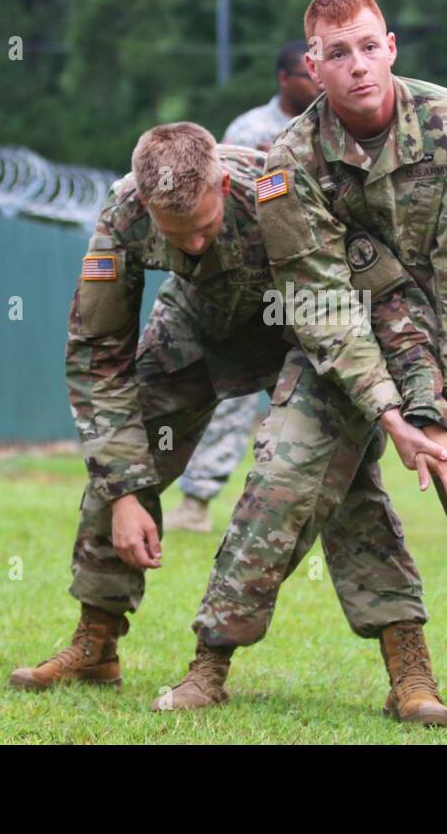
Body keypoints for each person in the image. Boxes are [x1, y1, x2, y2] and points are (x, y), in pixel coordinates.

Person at [157, 0, 447, 743]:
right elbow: (321, 303)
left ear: (390, 46)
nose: (357, 66)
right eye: (337, 53)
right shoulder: (290, 160)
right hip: (345, 341)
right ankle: (210, 664)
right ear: (313, 65)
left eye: (368, 47)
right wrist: (393, 417)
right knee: (281, 482)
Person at [9, 124, 447, 726]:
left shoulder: (283, 188)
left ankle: (406, 668)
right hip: (203, 324)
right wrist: (123, 491)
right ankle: (96, 643)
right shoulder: (124, 214)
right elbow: (97, 354)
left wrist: (411, 401)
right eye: (177, 236)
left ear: (222, 182)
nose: (192, 246)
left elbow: (376, 298)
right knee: (120, 445)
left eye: (203, 226)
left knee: (323, 481)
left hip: (313, 333)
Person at [165, 42, 320, 533]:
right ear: (282, 79)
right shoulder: (249, 130)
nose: (316, 81)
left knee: (304, 399)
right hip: (246, 281)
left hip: (300, 282)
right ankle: (196, 502)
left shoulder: (331, 126)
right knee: (229, 398)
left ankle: (292, 511)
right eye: (304, 74)